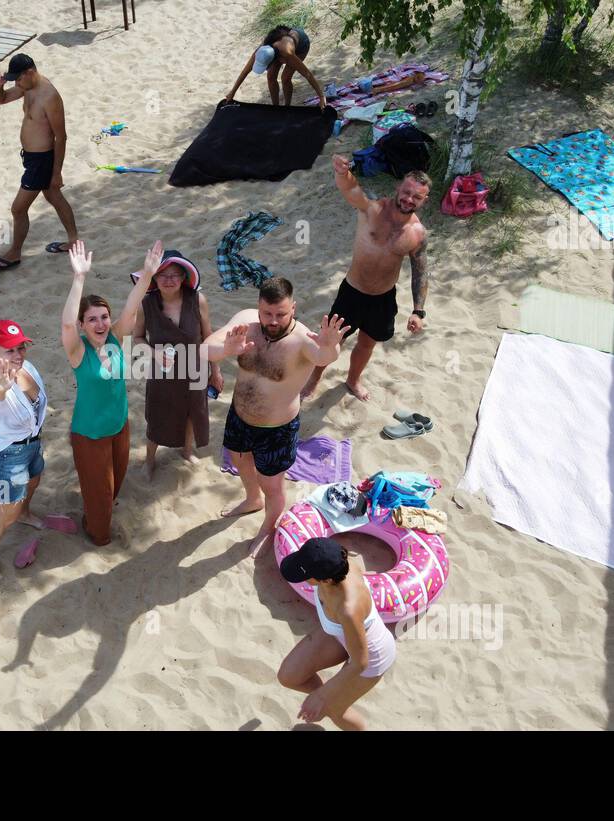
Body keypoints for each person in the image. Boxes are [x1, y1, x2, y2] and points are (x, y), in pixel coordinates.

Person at [203, 277, 346, 557]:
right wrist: (225, 350)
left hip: (276, 428)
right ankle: (251, 499)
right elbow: (204, 348)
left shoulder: (303, 340)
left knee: (272, 484)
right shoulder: (246, 322)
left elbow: (324, 355)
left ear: (293, 307)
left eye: (280, 314)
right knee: (238, 458)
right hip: (239, 416)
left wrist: (332, 345)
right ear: (258, 306)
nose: (272, 320)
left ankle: (268, 527)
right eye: (267, 313)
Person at [302, 157, 431, 402]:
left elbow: (421, 270)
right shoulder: (372, 209)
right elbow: (351, 189)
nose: (409, 199)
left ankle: (352, 380)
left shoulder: (417, 234)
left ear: (425, 200)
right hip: (352, 293)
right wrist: (342, 172)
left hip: (383, 299)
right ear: (398, 189)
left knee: (366, 344)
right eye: (406, 192)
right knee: (329, 341)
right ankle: (314, 379)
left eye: (417, 196)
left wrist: (418, 311)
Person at [60, 240, 161, 545]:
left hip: (120, 426)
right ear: (82, 325)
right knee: (101, 509)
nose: (100, 323)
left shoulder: (116, 336)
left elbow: (132, 306)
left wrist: (147, 274)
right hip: (90, 435)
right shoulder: (78, 351)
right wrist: (79, 278)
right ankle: (93, 528)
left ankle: (94, 508)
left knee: (114, 486)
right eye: (91, 319)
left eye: (104, 316)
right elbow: (65, 325)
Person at [277, 537, 396, 731]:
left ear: (326, 579)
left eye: (306, 573)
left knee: (334, 711)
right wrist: (324, 693)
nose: (303, 576)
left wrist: (323, 696)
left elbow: (360, 662)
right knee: (289, 676)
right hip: (342, 636)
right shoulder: (341, 563)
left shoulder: (348, 609)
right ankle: (331, 697)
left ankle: (334, 704)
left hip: (371, 655)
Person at [130, 249, 223, 478]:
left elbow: (209, 336)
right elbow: (137, 338)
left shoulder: (197, 300)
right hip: (162, 371)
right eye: (162, 274)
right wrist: (154, 353)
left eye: (174, 275)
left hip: (195, 368)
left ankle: (187, 450)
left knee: (192, 411)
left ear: (183, 277)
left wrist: (215, 371)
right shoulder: (146, 304)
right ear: (153, 278)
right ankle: (149, 460)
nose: (168, 280)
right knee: (157, 413)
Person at [0, 54, 80, 270]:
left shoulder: (49, 96)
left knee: (18, 209)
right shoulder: (26, 86)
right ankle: (74, 240)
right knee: (54, 195)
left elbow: (61, 136)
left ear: (29, 73)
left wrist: (57, 172)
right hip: (31, 158)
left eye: (18, 79)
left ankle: (14, 253)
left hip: (42, 161)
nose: (17, 84)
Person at [0, 319, 49, 585]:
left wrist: (19, 377)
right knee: (6, 512)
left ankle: (26, 513)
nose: (17, 355)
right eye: (9, 350)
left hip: (32, 444)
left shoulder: (26, 367)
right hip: (7, 455)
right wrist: (1, 388)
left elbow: (37, 396)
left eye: (21, 348)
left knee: (35, 479)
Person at [225, 25, 327, 108]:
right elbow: (245, 71)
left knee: (285, 78)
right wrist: (232, 92)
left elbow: (307, 74)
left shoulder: (287, 52)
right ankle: (276, 107)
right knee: (270, 77)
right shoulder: (260, 52)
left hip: (301, 45)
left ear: (276, 59)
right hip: (280, 45)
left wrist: (321, 97)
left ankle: (287, 106)